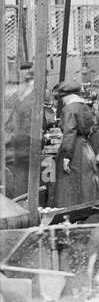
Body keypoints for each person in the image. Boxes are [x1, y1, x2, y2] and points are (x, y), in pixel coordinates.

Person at [53, 81, 99, 208]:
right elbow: (91, 127)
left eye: (61, 98)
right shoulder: (85, 107)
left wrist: (66, 157)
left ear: (66, 96)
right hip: (85, 147)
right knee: (85, 182)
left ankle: (69, 213)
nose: (62, 101)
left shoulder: (69, 109)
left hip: (74, 149)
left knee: (68, 185)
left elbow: (70, 132)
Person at [4, 61, 35, 199]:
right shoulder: (13, 99)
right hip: (15, 148)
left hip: (23, 148)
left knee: (22, 182)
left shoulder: (31, 98)